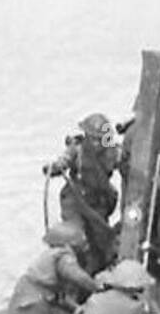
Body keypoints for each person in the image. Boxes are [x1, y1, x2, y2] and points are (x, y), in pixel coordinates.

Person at [45, 114, 122, 272]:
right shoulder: (77, 149)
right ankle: (72, 268)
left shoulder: (112, 151)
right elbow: (64, 160)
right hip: (76, 199)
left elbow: (125, 161)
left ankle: (100, 268)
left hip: (98, 201)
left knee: (103, 238)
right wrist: (55, 168)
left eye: (98, 139)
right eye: (92, 138)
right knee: (76, 236)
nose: (95, 143)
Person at [5, 224, 99, 314]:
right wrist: (98, 288)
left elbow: (59, 297)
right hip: (35, 311)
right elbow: (78, 277)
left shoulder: (42, 264)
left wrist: (76, 308)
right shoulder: (62, 256)